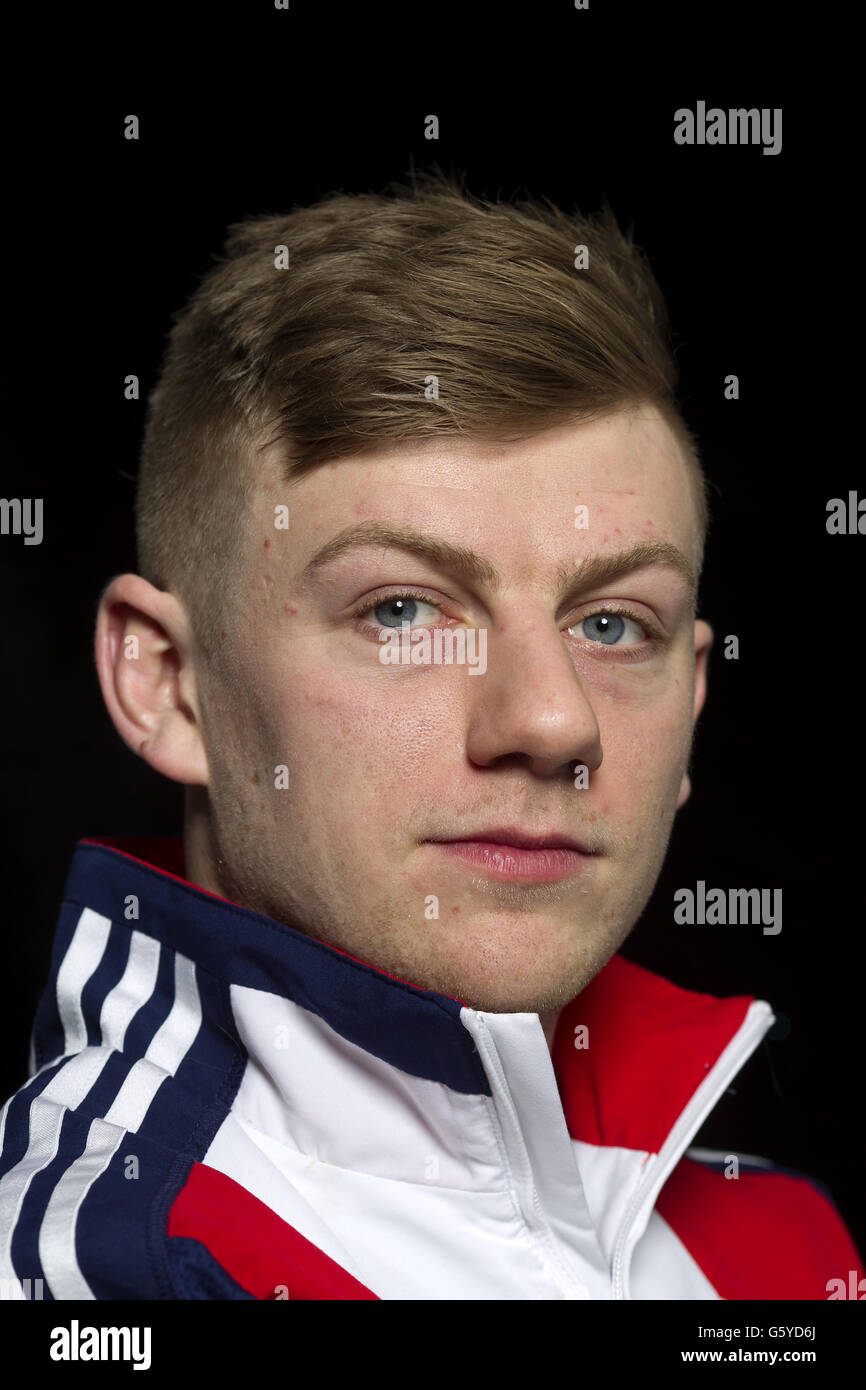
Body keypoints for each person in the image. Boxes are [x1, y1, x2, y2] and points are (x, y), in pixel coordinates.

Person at [0, 172, 860, 1300]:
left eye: (611, 623)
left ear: (692, 699)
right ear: (168, 684)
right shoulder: (102, 1272)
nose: (553, 720)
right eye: (401, 610)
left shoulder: (782, 1246)